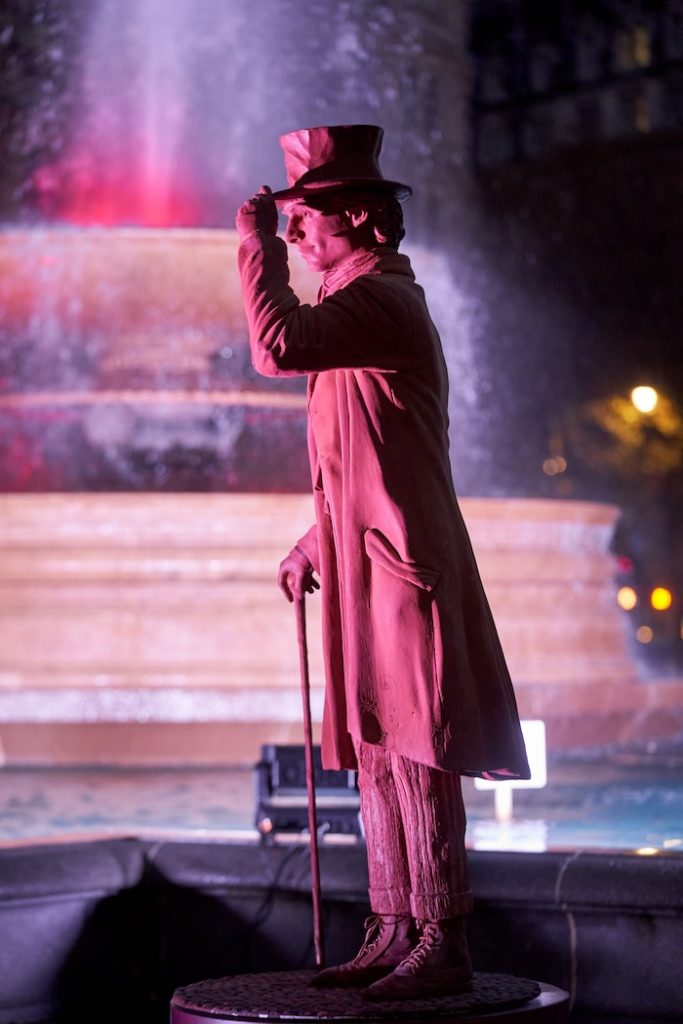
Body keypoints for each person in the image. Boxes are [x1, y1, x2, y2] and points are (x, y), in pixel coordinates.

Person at [236, 124, 530, 1000]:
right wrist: (314, 541)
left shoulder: (383, 303)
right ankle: (392, 924)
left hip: (403, 564)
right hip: (368, 561)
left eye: (304, 219)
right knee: (377, 745)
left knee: (416, 740)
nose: (293, 235)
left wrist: (252, 251)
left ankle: (441, 939)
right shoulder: (356, 305)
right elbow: (355, 463)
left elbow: (273, 346)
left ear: (360, 218)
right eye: (285, 223)